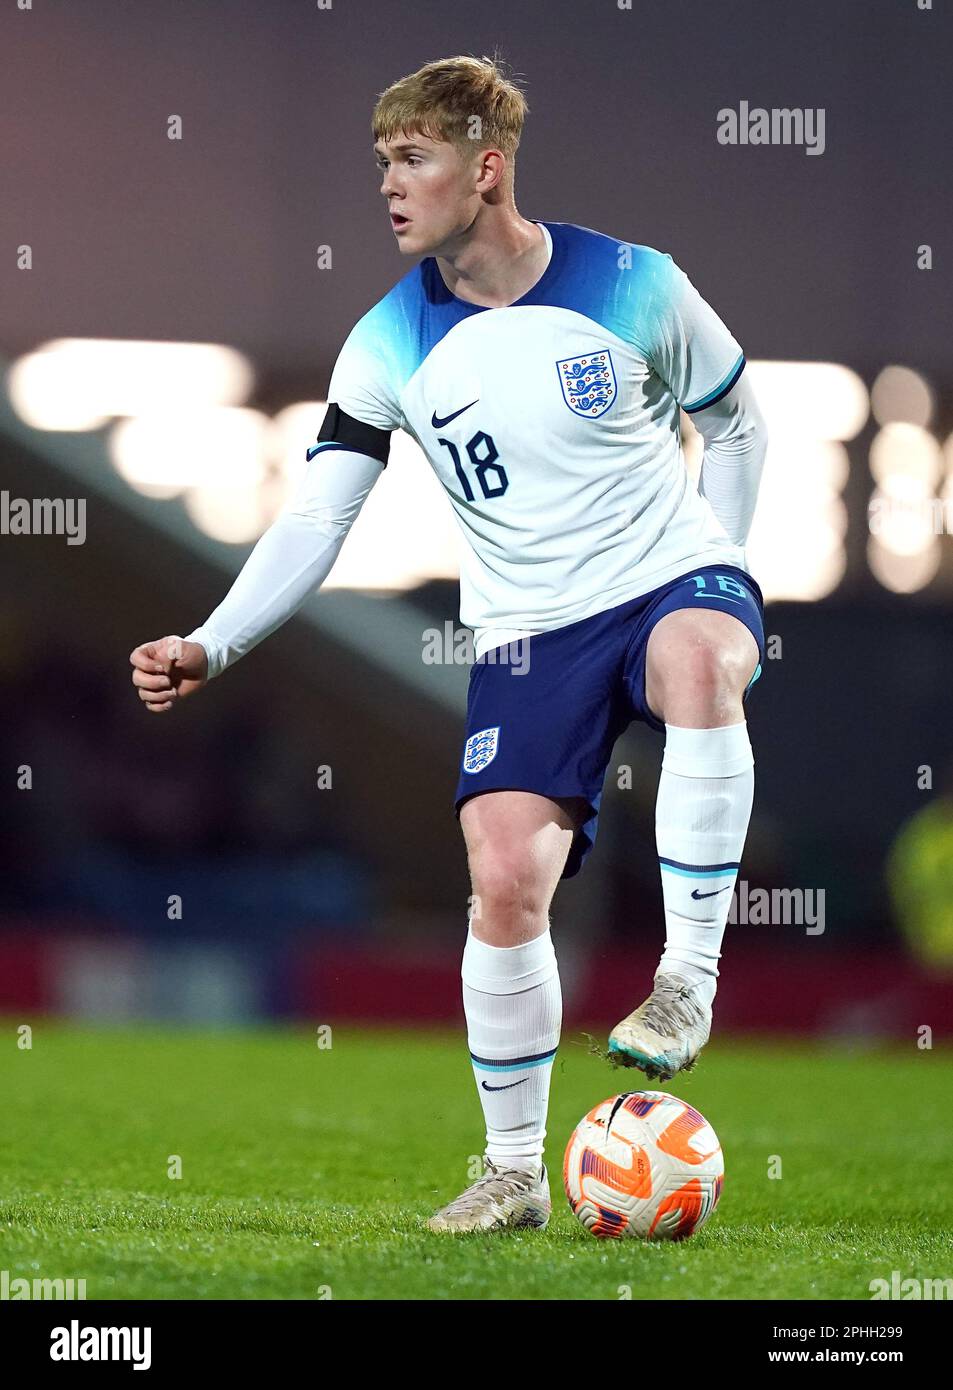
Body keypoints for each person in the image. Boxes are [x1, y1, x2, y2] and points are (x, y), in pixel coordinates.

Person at [129, 54, 768, 1234]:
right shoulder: (385, 343)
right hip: (528, 629)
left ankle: (685, 979)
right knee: (502, 878)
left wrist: (720, 559)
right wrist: (211, 642)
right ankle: (515, 1172)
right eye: (381, 160)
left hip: (663, 573)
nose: (390, 183)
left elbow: (735, 418)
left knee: (696, 658)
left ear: (485, 169)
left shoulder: (634, 283)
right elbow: (320, 512)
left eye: (413, 158)